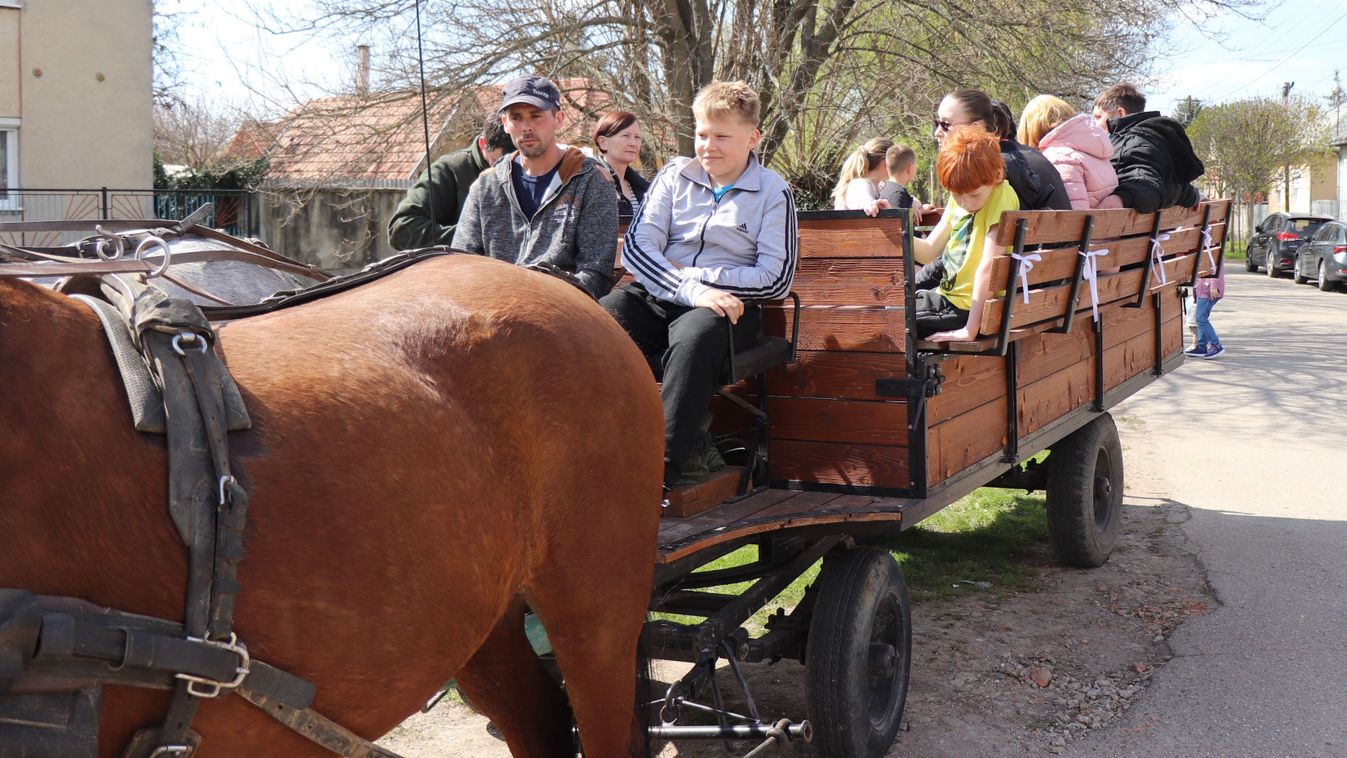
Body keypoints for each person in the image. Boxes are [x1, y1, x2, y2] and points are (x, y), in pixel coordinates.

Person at [601, 80, 798, 488]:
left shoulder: (773, 192)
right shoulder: (674, 176)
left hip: (730, 308)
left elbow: (775, 278)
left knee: (693, 337)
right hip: (663, 294)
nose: (708, 146)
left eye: (722, 136)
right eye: (702, 134)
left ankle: (661, 470)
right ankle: (594, 448)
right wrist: (688, 288)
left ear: (752, 137)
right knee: (602, 319)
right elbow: (638, 250)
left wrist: (700, 281)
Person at [451, 75, 619, 300]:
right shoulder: (486, 186)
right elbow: (462, 263)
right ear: (505, 124)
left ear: (558, 119)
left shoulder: (591, 180)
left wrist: (533, 303)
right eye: (516, 118)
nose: (526, 127)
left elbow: (596, 273)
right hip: (491, 308)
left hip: (560, 312)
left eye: (536, 116)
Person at [909, 126, 1018, 341]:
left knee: (890, 321)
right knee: (880, 311)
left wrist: (969, 330)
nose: (965, 203)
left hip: (967, 309)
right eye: (957, 196)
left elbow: (990, 266)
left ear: (997, 175)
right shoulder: (960, 194)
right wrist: (891, 231)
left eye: (974, 195)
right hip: (946, 299)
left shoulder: (1001, 194)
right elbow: (929, 252)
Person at [388, 114, 516, 250]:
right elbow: (401, 229)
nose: (508, 169)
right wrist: (473, 236)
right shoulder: (448, 171)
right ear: (483, 143)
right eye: (500, 162)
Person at [933, 90, 1068, 211]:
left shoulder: (988, 166)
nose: (937, 132)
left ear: (976, 127)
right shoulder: (1028, 154)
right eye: (936, 123)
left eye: (945, 125)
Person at [1090, 83, 1204, 212]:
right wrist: (1195, 195)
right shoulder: (1159, 139)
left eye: (1098, 117)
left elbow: (1144, 182)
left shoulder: (1134, 142)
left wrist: (1122, 197)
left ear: (1120, 113)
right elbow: (1172, 187)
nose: (1094, 124)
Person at [1018, 94, 1119, 210]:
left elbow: (1074, 217)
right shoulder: (1095, 150)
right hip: (1107, 225)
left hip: (1088, 226)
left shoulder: (1059, 157)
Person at [594, 110, 649, 216]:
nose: (633, 143)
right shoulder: (591, 183)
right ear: (603, 142)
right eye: (625, 136)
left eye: (637, 137)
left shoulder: (644, 187)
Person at [831, 138, 893, 216]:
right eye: (896, 160)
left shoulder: (880, 186)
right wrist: (871, 205)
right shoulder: (859, 184)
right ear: (885, 162)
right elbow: (863, 201)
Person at [1187, 257, 1225, 359]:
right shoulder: (1204, 246)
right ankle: (1202, 347)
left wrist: (1213, 286)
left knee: (1201, 318)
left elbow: (1216, 268)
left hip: (1208, 290)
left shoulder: (1212, 247)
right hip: (1202, 289)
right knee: (1201, 318)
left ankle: (1216, 345)